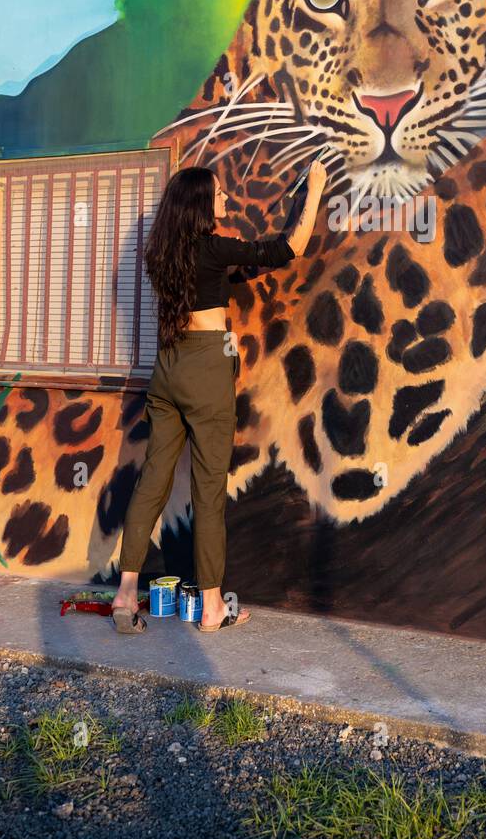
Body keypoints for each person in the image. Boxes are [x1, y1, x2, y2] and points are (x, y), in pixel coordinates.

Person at [111, 160, 326, 633]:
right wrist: (313, 191)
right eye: (219, 193)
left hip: (167, 368)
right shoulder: (211, 249)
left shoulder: (162, 254)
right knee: (208, 493)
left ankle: (125, 595)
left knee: (153, 481)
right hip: (207, 368)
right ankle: (211, 608)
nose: (226, 198)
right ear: (201, 204)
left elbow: (220, 276)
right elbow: (288, 248)